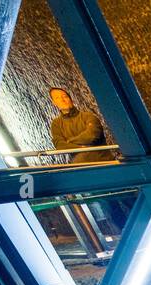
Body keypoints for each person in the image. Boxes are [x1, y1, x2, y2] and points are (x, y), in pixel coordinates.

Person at [48, 87, 130, 234]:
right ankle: (127, 234)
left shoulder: (88, 116)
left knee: (128, 197)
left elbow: (92, 135)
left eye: (65, 96)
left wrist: (71, 142)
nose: (63, 99)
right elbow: (59, 145)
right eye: (58, 98)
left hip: (106, 165)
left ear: (70, 97)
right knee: (109, 207)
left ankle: (150, 225)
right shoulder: (56, 124)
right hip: (86, 171)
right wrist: (81, 145)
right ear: (54, 103)